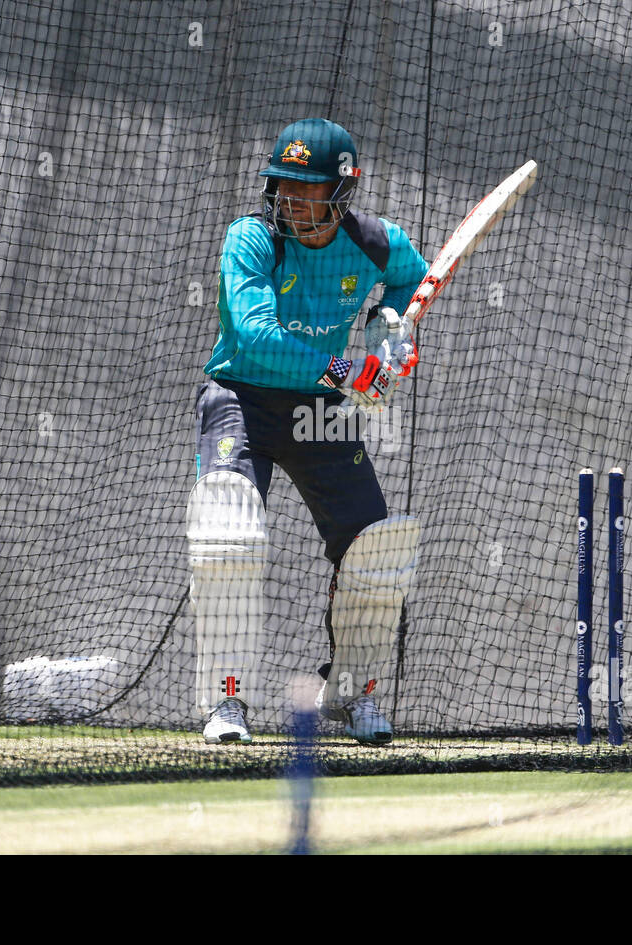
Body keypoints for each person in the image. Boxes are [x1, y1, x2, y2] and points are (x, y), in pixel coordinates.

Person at [186, 118, 428, 746]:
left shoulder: (376, 242)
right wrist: (347, 368)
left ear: (340, 191)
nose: (290, 201)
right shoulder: (252, 238)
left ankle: (346, 695)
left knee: (375, 549)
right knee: (228, 530)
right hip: (242, 395)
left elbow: (412, 278)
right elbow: (254, 334)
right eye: (282, 187)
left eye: (307, 189)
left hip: (318, 409)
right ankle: (226, 701)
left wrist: (386, 331)